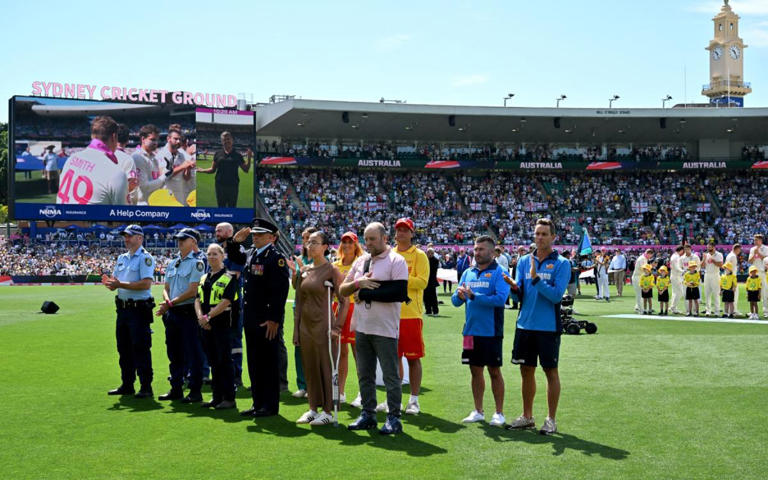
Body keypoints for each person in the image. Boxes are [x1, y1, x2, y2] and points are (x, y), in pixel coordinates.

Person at [340, 222, 409, 435]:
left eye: (373, 239)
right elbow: (343, 289)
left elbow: (398, 292)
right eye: (366, 239)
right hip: (362, 326)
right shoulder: (362, 261)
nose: (368, 243)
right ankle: (368, 413)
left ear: (384, 239)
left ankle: (394, 417)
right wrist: (358, 284)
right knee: (365, 373)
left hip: (385, 328)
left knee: (390, 375)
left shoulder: (396, 260)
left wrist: (366, 293)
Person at [505, 218, 570, 436]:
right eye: (537, 233)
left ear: (553, 237)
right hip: (525, 325)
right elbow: (519, 295)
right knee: (526, 371)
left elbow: (555, 296)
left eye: (544, 234)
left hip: (548, 327)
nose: (539, 237)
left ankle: (551, 420)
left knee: (550, 371)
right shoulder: (523, 261)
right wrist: (513, 288)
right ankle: (527, 416)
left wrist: (535, 279)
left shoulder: (562, 263)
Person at [228, 218, 289, 418]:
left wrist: (274, 320)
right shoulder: (253, 253)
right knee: (254, 362)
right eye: (254, 234)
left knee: (268, 363)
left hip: (266, 320)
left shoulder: (275, 258)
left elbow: (280, 292)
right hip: (251, 317)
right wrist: (235, 242)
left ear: (271, 237)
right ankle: (257, 403)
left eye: (260, 234)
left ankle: (269, 406)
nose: (255, 237)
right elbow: (235, 257)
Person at [452, 235, 510, 427]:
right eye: (475, 249)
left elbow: (500, 300)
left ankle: (499, 413)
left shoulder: (500, 272)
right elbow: (455, 301)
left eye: (481, 249)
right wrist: (460, 296)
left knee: (494, 371)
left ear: (492, 252)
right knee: (474, 370)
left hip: (491, 331)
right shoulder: (468, 272)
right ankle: (478, 411)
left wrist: (474, 295)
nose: (477, 253)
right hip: (469, 332)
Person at [293, 231, 349, 426]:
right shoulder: (305, 270)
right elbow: (299, 301)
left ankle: (328, 410)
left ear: (325, 247)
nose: (310, 245)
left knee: (326, 367)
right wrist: (296, 329)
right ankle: (312, 408)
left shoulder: (331, 270)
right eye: (309, 242)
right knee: (309, 367)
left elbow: (344, 301)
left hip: (324, 326)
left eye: (315, 242)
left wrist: (337, 327)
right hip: (306, 326)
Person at [102, 225, 155, 398]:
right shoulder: (122, 258)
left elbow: (146, 284)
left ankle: (146, 386)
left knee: (141, 348)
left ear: (140, 238)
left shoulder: (145, 258)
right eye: (125, 236)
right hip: (123, 309)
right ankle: (127, 384)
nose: (126, 239)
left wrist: (119, 284)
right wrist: (111, 284)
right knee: (123, 349)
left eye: (130, 236)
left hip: (138, 310)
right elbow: (117, 282)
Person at [155, 228, 206, 403]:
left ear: (193, 242)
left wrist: (170, 303)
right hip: (173, 313)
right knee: (174, 352)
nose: (179, 242)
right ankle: (176, 388)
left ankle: (195, 392)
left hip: (188, 313)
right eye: (178, 239)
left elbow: (193, 291)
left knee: (193, 354)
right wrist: (168, 302)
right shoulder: (173, 263)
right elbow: (165, 288)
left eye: (183, 239)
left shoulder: (197, 263)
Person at [392, 217, 429, 416]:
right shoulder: (389, 254)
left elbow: (422, 282)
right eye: (399, 230)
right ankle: (395, 398)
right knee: (394, 357)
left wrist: (399, 279)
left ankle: (414, 400)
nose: (401, 233)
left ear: (412, 233)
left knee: (413, 358)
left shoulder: (420, 255)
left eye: (405, 230)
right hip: (390, 314)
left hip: (411, 314)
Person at [194, 243, 238, 409]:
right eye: (209, 254)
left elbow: (226, 301)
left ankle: (229, 398)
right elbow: (197, 299)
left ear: (222, 256)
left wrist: (207, 317)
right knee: (213, 362)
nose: (211, 257)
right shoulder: (204, 278)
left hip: (222, 325)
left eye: (215, 254)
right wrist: (200, 317)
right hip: (205, 325)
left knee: (224, 361)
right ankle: (216, 396)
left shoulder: (229, 276)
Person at [56, 116, 128, 205]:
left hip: (60, 216)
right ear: (114, 137)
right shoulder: (116, 173)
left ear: (92, 136)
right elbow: (122, 215)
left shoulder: (71, 158)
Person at [287, 226, 319, 398]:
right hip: (299, 306)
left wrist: (304, 269)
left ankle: (315, 385)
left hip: (317, 307)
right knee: (299, 345)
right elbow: (295, 286)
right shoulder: (300, 259)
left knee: (316, 347)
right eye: (304, 238)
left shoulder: (324, 259)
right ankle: (302, 385)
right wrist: (294, 273)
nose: (306, 242)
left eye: (309, 238)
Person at [333, 231, 363, 407]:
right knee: (341, 353)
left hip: (355, 309)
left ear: (356, 245)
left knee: (358, 353)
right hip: (338, 309)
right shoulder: (334, 265)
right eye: (344, 242)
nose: (346, 245)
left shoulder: (361, 264)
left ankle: (362, 392)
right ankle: (341, 392)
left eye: (350, 242)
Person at [214, 222, 246, 387]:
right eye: (216, 230)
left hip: (232, 302)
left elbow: (235, 274)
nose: (216, 232)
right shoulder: (216, 250)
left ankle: (236, 375)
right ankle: (221, 374)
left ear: (229, 232)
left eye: (219, 230)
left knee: (234, 340)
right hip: (215, 301)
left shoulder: (237, 250)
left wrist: (215, 281)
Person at [197, 131, 252, 208]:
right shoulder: (217, 154)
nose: (227, 141)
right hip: (220, 186)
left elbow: (246, 170)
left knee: (232, 208)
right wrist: (202, 170)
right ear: (222, 141)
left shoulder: (237, 155)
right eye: (224, 139)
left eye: (228, 139)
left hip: (233, 186)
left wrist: (249, 158)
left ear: (232, 140)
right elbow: (213, 170)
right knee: (221, 207)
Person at [159, 124, 196, 206]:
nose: (178, 141)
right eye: (175, 139)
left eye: (179, 139)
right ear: (168, 139)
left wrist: (188, 169)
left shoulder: (182, 155)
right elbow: (165, 175)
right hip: (167, 196)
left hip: (180, 196)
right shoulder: (162, 154)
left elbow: (186, 178)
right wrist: (183, 166)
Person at [132, 124, 168, 205]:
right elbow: (144, 187)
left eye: (157, 140)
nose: (156, 143)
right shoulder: (137, 157)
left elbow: (156, 181)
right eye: (152, 140)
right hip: (142, 205)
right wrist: (164, 176)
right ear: (143, 139)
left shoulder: (154, 158)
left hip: (154, 203)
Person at [114, 124, 139, 205]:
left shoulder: (103, 155)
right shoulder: (127, 159)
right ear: (128, 140)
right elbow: (132, 184)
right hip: (121, 204)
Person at [748, 235, 768, 318]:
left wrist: (758, 253)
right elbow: (749, 261)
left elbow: (766, 259)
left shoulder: (765, 248)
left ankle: (766, 311)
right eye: (754, 240)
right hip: (754, 273)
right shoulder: (752, 249)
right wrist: (754, 254)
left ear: (760, 240)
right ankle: (753, 311)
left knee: (764, 292)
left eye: (756, 240)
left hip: (762, 272)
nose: (755, 241)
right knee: (752, 292)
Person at [702, 241, 724, 317]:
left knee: (716, 293)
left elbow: (721, 265)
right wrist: (704, 259)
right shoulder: (706, 255)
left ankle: (717, 311)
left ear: (714, 247)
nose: (708, 249)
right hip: (707, 274)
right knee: (707, 293)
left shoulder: (719, 254)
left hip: (715, 274)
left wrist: (713, 260)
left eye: (710, 247)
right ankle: (708, 310)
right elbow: (702, 266)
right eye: (707, 247)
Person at [725, 244, 742, 316]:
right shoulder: (733, 256)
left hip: (728, 277)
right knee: (734, 294)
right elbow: (731, 268)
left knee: (730, 294)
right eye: (739, 250)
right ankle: (733, 311)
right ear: (737, 249)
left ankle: (730, 310)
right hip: (732, 277)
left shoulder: (729, 255)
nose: (739, 251)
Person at [669, 246, 685, 314]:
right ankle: (673, 307)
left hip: (675, 275)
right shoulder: (675, 257)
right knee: (680, 292)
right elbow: (676, 267)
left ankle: (672, 307)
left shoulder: (675, 256)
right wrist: (683, 271)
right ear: (681, 250)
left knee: (675, 292)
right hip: (676, 276)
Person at [424, 247, 440, 317]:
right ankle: (428, 310)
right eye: (428, 252)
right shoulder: (424, 260)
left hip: (432, 281)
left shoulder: (435, 260)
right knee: (425, 297)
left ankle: (435, 311)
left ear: (433, 253)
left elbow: (432, 270)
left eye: (430, 253)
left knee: (433, 297)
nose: (429, 254)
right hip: (425, 281)